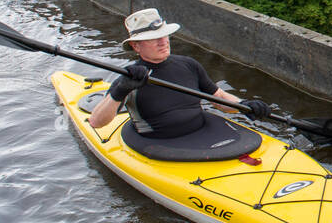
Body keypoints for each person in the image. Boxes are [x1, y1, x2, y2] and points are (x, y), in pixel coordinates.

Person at [88, 8, 270, 137]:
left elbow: (219, 98)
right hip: (159, 143)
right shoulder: (129, 79)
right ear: (136, 46)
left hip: (200, 132)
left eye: (164, 35)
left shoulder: (189, 64)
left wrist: (245, 105)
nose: (163, 42)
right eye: (154, 39)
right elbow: (96, 122)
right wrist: (121, 90)